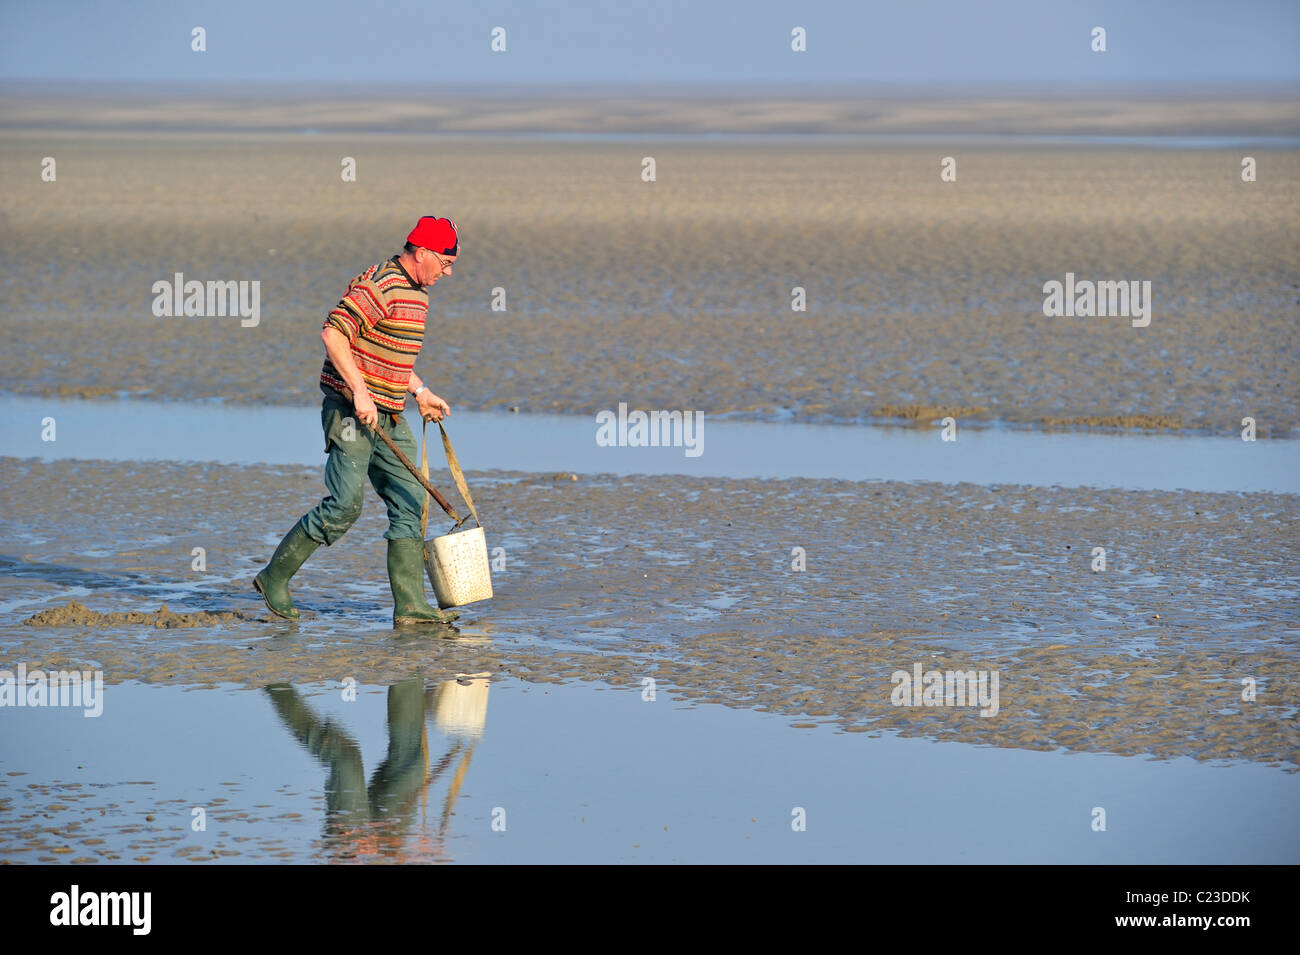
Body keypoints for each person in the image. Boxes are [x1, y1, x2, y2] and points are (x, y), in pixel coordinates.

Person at [254, 216, 461, 625]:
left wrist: (420, 392)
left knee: (410, 500)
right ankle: (273, 577)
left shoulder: (418, 292)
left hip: (390, 411)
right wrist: (362, 392)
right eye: (445, 262)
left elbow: (391, 352)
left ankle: (411, 607)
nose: (448, 272)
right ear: (421, 253)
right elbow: (333, 333)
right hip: (350, 410)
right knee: (345, 506)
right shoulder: (380, 285)